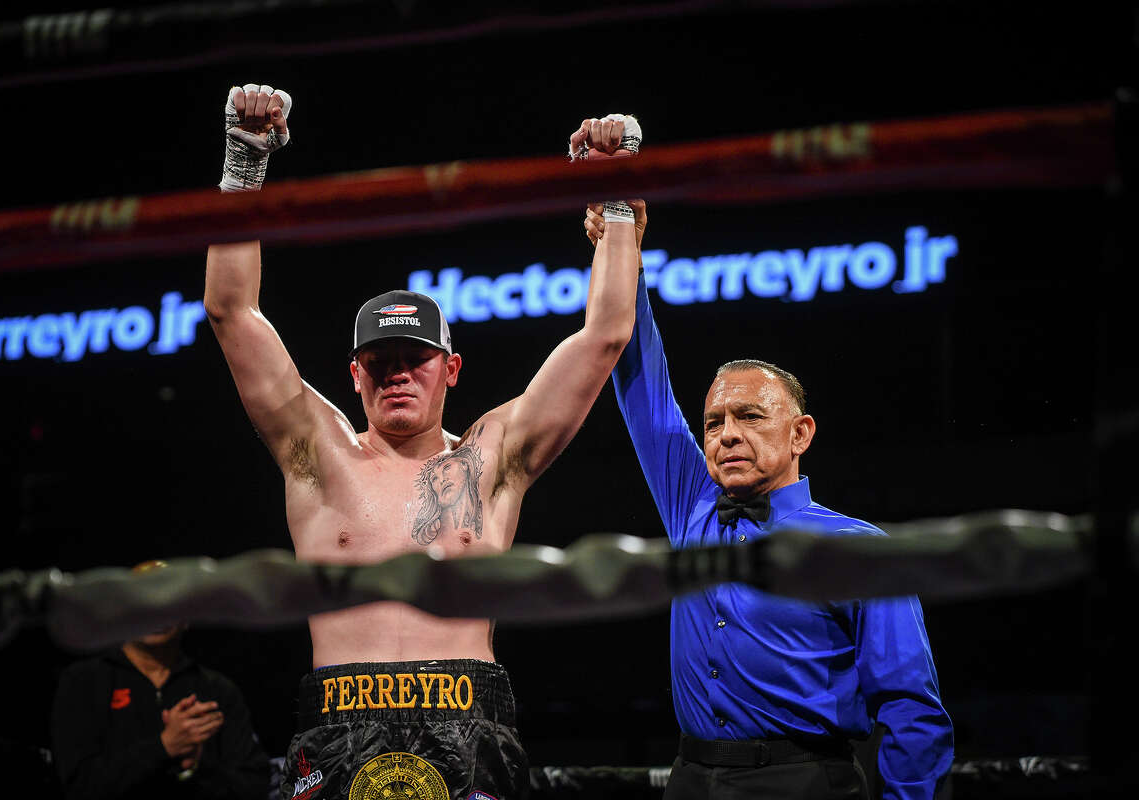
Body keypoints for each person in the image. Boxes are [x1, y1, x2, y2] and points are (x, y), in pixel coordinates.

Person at [204, 83, 643, 800]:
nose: (398, 374)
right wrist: (244, 161)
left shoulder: (491, 458)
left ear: (451, 368)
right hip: (340, 719)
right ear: (354, 374)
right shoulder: (317, 455)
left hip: (468, 720)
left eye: (414, 359)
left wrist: (618, 194)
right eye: (380, 362)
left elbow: (604, 336)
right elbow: (231, 311)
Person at [584, 204, 954, 800]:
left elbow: (911, 707)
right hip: (692, 779)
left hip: (808, 782)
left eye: (750, 417)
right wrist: (622, 242)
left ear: (800, 434)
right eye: (713, 422)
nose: (727, 434)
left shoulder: (859, 549)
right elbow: (638, 373)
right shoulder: (692, 509)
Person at [50, 560, 269, 800]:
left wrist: (193, 769)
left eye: (168, 601)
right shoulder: (84, 682)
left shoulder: (218, 691)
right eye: (143, 601)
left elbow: (255, 786)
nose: (155, 613)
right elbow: (78, 786)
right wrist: (164, 746)